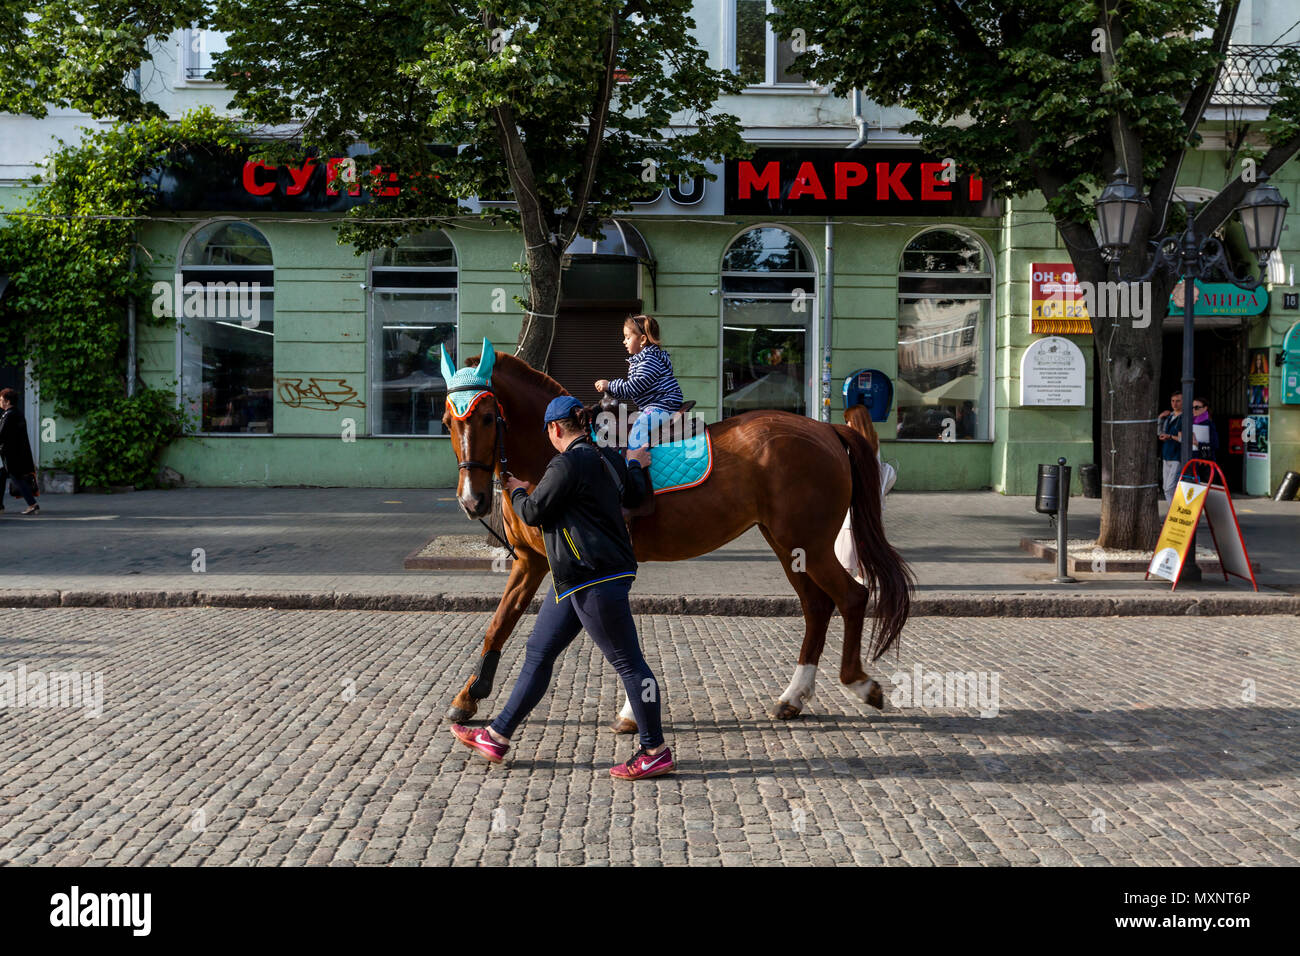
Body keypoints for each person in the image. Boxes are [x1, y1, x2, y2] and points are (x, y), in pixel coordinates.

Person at [450, 395, 674, 780]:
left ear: (554, 429)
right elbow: (636, 496)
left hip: (594, 578)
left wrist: (517, 490)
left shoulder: (567, 463)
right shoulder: (609, 458)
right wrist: (636, 465)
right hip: (577, 578)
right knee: (538, 652)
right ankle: (497, 734)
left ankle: (653, 749)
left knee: (629, 663)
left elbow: (535, 513)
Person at [594, 314, 683, 451]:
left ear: (642, 339)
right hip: (654, 405)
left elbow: (634, 387)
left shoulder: (649, 360)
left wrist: (610, 385)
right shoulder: (641, 359)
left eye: (628, 337)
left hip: (663, 405)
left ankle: (636, 462)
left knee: (640, 426)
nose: (624, 341)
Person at [0, 388, 39, 515]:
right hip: (14, 453)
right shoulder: (16, 413)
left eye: (1, 400)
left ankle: (32, 504)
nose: (0, 402)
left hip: (11, 454)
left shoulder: (9, 415)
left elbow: (2, 434)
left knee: (16, 478)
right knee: (1, 477)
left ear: (7, 401)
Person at [1156, 391, 1183, 501]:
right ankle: (1173, 513)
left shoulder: (1184, 418)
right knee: (1165, 487)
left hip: (1177, 456)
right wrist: (1160, 418)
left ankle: (1173, 514)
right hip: (1166, 454)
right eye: (1172, 401)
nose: (1174, 404)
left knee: (1169, 487)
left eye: (1178, 401)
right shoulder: (1169, 416)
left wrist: (1170, 436)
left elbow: (1183, 439)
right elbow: (1160, 433)